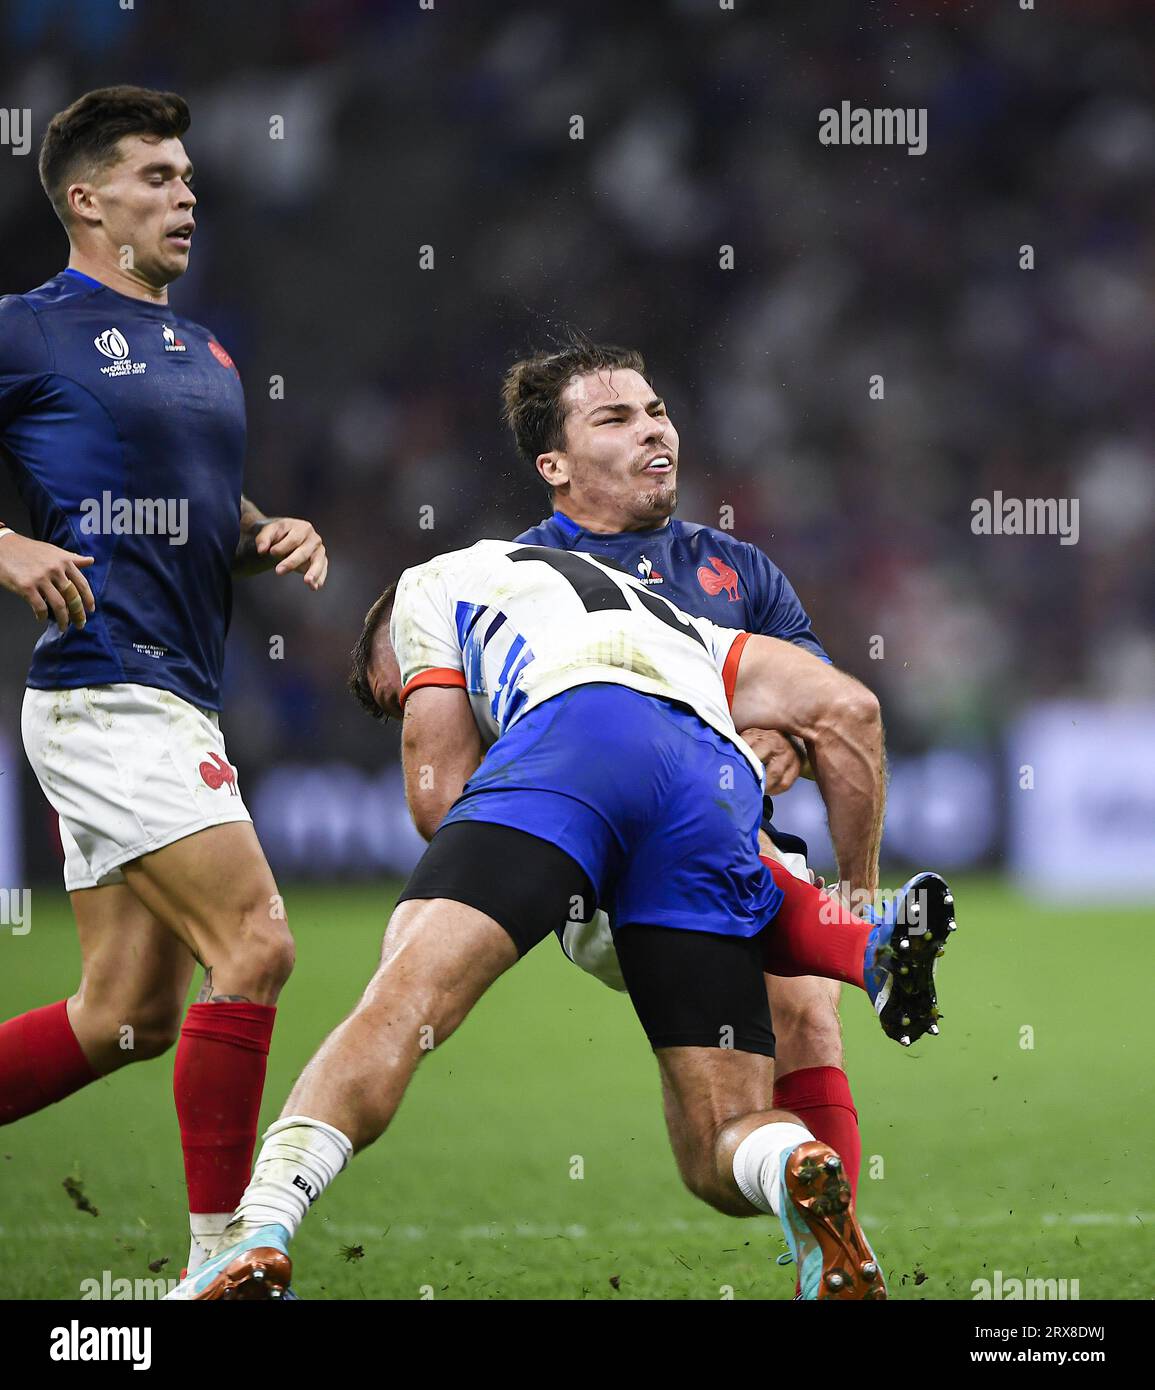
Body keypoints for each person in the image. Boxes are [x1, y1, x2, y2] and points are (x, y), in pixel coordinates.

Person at [167, 540, 953, 1302]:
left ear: (386, 644)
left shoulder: (424, 587)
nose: (400, 705)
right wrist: (856, 889)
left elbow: (439, 796)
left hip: (567, 746)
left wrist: (542, 863)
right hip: (706, 785)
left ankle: (257, 1229)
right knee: (721, 1137)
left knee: (402, 1000)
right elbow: (848, 708)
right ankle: (793, 1151)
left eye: (392, 695)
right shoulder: (667, 616)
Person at [0, 85, 326, 1276]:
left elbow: (190, 508)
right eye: (154, 178)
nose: (185, 196)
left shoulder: (209, 349)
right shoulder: (27, 327)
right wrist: (7, 545)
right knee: (259, 942)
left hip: (171, 689)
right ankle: (221, 1256)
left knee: (125, 1017)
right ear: (86, 202)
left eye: (187, 177)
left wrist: (262, 528)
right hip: (102, 684)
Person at [505, 338, 875, 1196]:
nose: (651, 430)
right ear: (553, 465)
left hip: (741, 845)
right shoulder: (521, 576)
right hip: (606, 871)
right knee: (719, 1151)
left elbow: (814, 706)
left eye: (657, 410)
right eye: (616, 418)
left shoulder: (735, 566)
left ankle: (835, 1261)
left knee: (800, 1027)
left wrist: (784, 742)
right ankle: (862, 938)